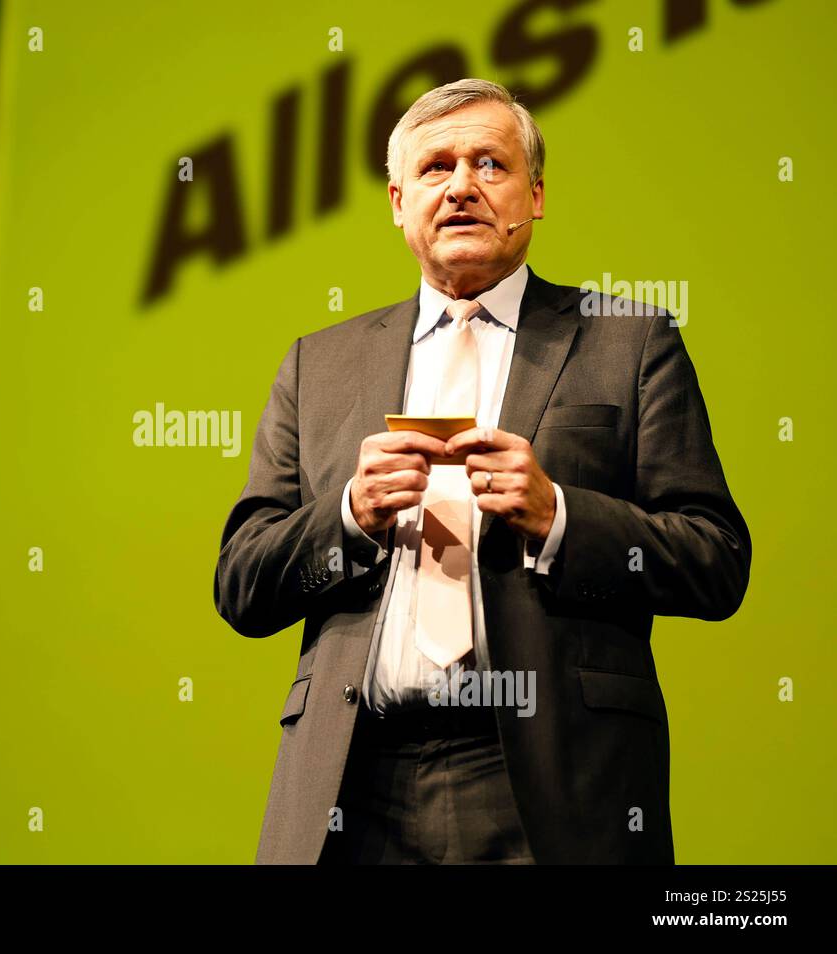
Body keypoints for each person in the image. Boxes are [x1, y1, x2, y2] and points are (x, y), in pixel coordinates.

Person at [213, 78, 750, 864]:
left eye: (489, 164)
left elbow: (715, 560)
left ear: (534, 195)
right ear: (398, 202)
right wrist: (348, 517)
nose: (462, 184)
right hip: (351, 780)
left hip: (547, 780)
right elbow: (242, 582)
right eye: (436, 168)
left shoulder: (628, 342)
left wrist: (560, 514)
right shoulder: (318, 364)